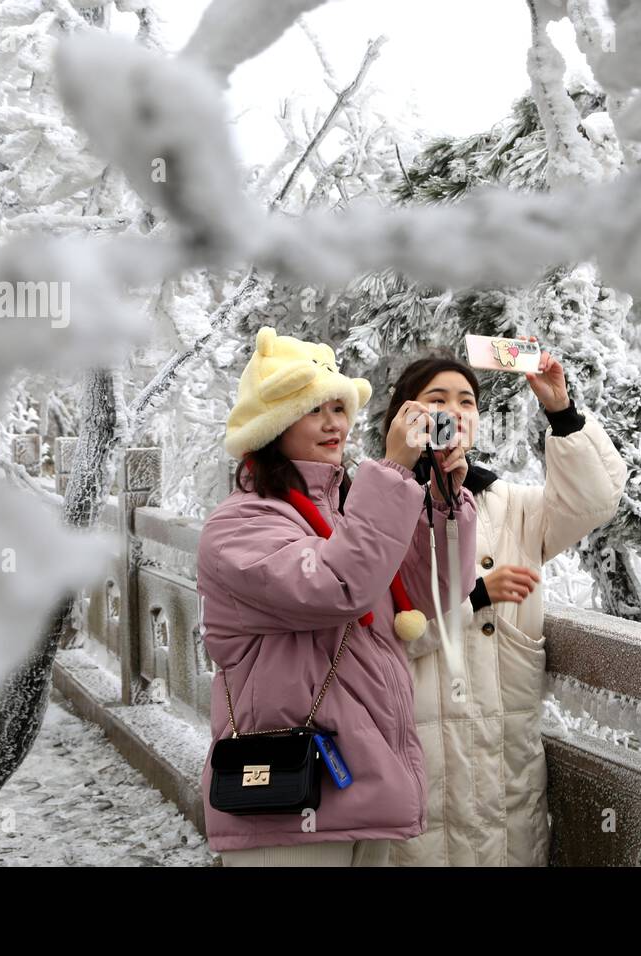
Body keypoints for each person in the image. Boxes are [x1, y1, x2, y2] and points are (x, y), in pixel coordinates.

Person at [196, 326, 477, 867]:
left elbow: (434, 597)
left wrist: (445, 505)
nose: (335, 423)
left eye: (340, 408)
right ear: (273, 425)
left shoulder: (347, 512)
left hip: (364, 780)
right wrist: (393, 472)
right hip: (284, 793)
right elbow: (340, 585)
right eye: (314, 409)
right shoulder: (240, 525)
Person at [385, 339, 628, 866]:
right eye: (437, 399)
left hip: (500, 743)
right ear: (405, 413)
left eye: (467, 401)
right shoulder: (372, 503)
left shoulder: (509, 505)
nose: (453, 411)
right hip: (414, 737)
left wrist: (561, 412)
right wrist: (475, 598)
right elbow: (373, 628)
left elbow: (595, 500)